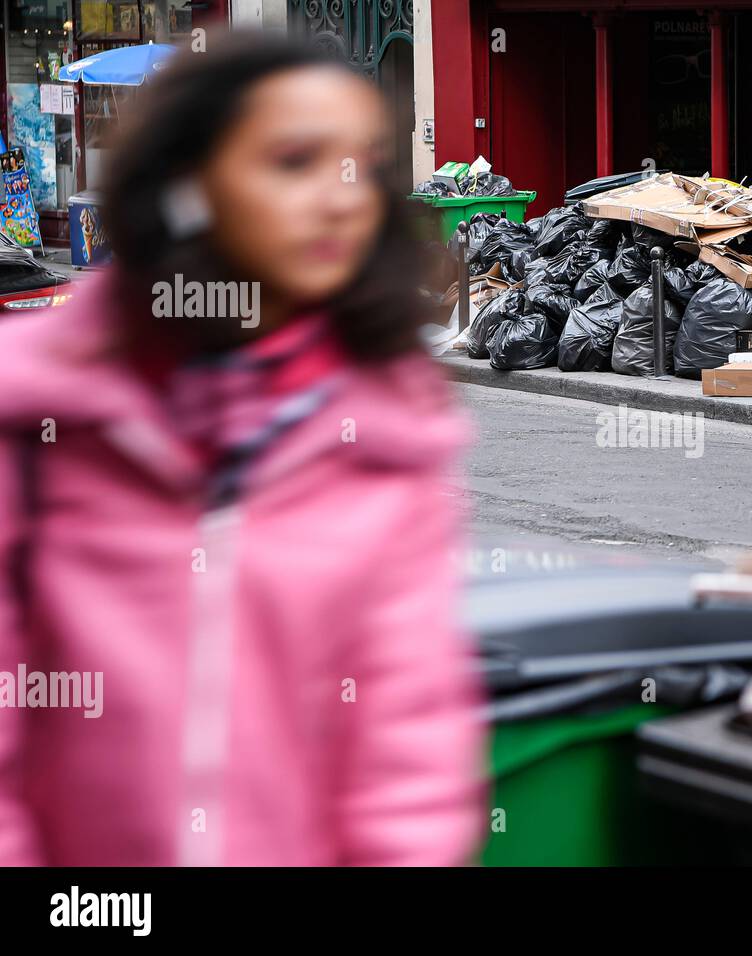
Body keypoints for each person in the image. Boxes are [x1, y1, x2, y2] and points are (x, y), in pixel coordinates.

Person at [0, 35, 484, 865]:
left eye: (362, 167)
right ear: (184, 185)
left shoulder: (389, 437)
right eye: (294, 161)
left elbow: (405, 752)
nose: (341, 200)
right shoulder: (42, 417)